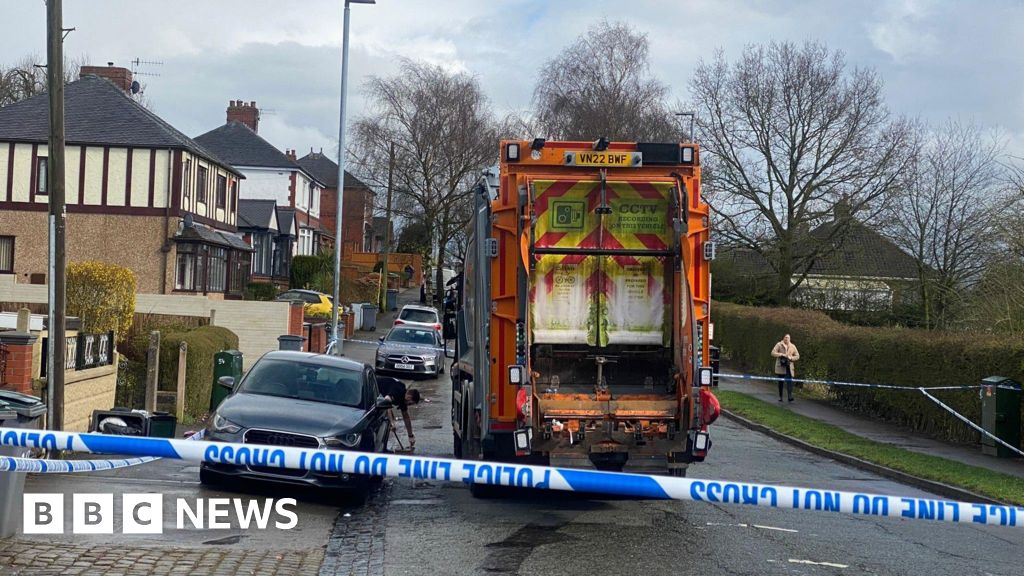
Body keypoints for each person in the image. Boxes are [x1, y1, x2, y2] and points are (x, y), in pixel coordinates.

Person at [377, 376, 421, 448]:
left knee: (388, 421)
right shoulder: (398, 392)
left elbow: (406, 417)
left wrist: (410, 436)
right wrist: (392, 423)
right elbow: (387, 402)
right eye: (410, 403)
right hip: (374, 385)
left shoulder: (404, 398)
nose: (409, 405)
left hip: (382, 395)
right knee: (386, 421)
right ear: (409, 397)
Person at [771, 334, 800, 403]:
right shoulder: (779, 344)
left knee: (790, 382)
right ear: (783, 338)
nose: (786, 339)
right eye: (785, 337)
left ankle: (790, 396)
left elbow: (797, 356)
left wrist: (791, 358)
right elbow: (773, 353)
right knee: (781, 382)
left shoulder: (793, 346)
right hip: (781, 366)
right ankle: (780, 396)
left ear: (790, 339)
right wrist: (781, 354)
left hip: (789, 367)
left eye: (788, 338)